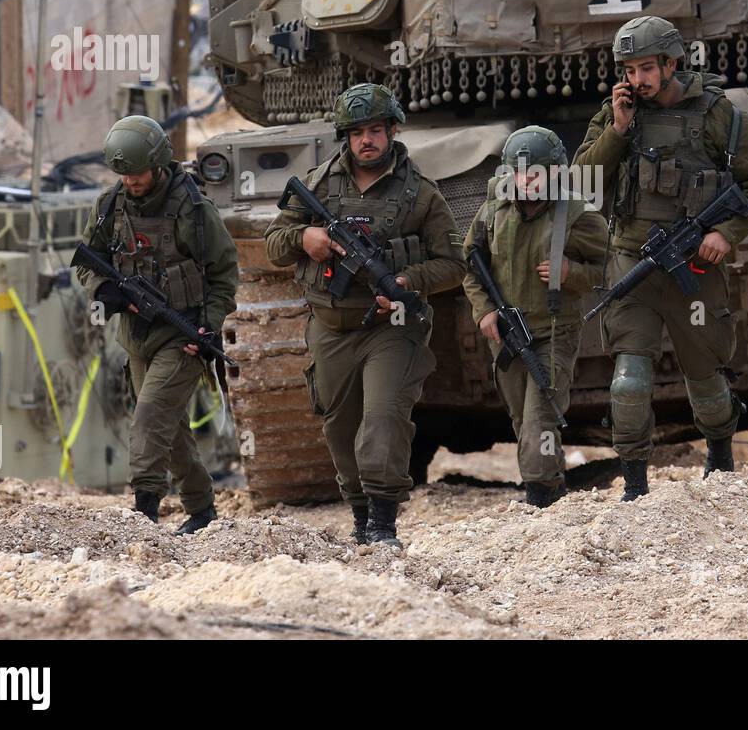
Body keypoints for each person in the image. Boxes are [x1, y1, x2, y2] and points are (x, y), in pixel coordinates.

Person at [573, 16, 748, 501]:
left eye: (646, 68)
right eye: (629, 69)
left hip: (695, 267)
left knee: (705, 378)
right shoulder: (617, 115)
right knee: (628, 382)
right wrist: (618, 131)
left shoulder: (717, 114)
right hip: (631, 265)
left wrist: (725, 234)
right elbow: (581, 181)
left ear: (671, 63)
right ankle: (635, 483)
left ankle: (721, 458)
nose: (637, 79)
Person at [264, 83, 464, 547]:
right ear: (345, 137)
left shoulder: (421, 195)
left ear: (392, 131)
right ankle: (359, 514)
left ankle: (382, 521)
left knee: (382, 419)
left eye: (375, 130)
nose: (366, 141)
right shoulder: (317, 184)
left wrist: (407, 282)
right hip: (331, 327)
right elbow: (275, 243)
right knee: (339, 427)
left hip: (391, 328)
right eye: (356, 133)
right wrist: (304, 240)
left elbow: (454, 263)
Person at [76, 115, 238, 535]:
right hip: (135, 337)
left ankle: (144, 509)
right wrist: (106, 290)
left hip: (181, 336)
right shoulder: (109, 206)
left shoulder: (195, 211)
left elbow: (223, 274)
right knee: (171, 428)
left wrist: (209, 328)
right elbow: (88, 262)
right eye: (123, 174)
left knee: (149, 419)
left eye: (137, 172)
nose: (130, 181)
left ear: (159, 164)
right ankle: (201, 509)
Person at [462, 126, 609, 507]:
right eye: (518, 172)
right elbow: (471, 266)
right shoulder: (494, 210)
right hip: (507, 336)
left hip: (555, 332)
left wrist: (569, 274)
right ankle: (553, 483)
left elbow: (610, 269)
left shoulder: (578, 215)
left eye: (535, 173)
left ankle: (540, 498)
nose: (525, 181)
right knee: (521, 420)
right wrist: (484, 310)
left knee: (538, 420)